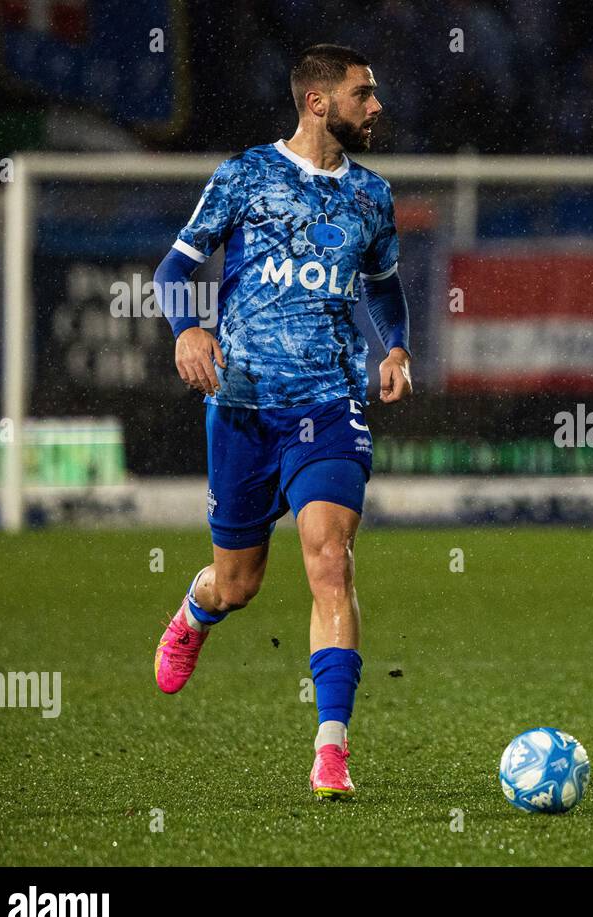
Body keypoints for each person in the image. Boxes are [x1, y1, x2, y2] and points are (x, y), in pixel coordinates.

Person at [151, 44, 413, 798]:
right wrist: (186, 330)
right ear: (317, 102)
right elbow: (175, 270)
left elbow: (385, 287)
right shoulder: (245, 176)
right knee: (238, 584)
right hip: (242, 406)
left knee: (330, 560)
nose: (377, 107)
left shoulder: (372, 197)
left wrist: (395, 347)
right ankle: (196, 614)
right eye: (364, 94)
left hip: (329, 402)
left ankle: (332, 751)